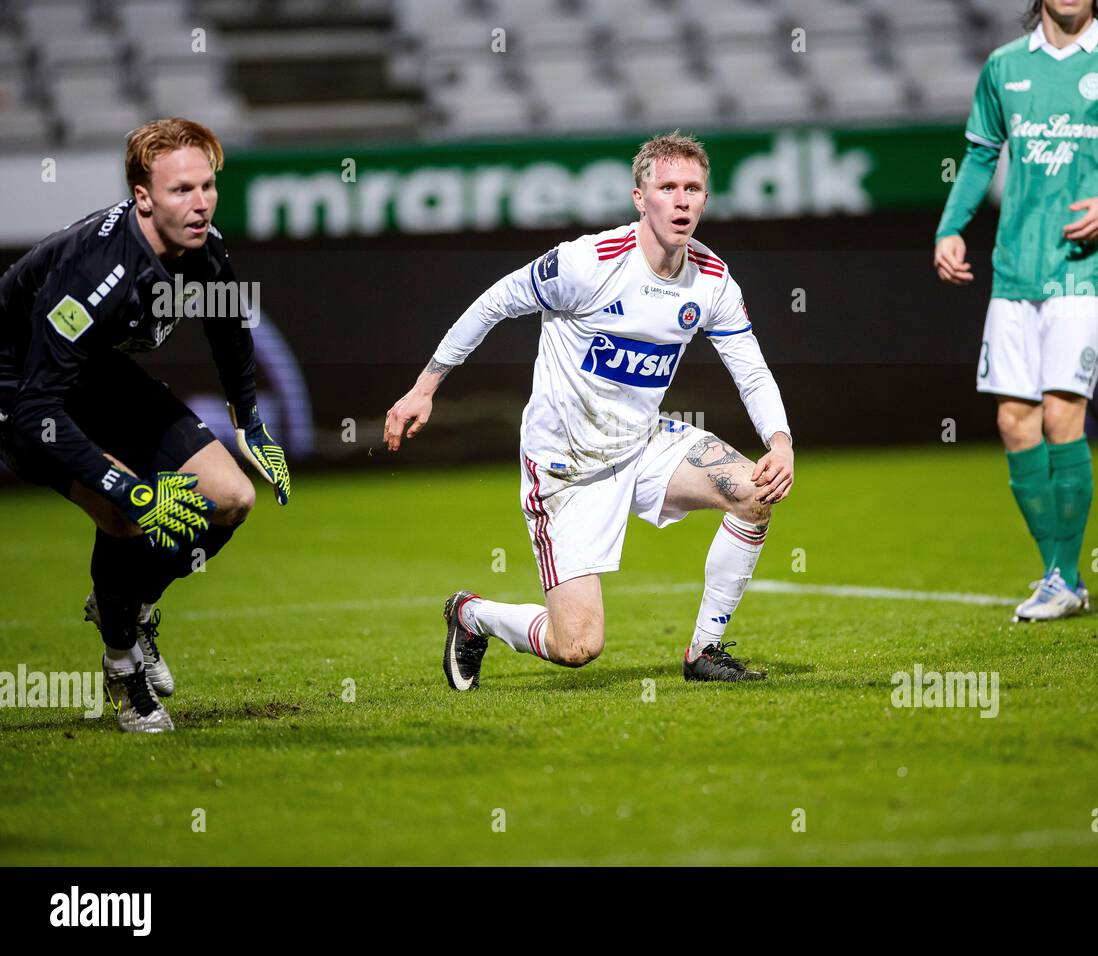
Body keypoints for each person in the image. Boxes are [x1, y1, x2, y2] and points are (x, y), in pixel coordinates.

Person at [384, 131, 793, 689]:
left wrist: (780, 441)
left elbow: (749, 368)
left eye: (692, 188)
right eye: (667, 186)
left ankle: (704, 651)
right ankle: (470, 615)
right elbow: (496, 301)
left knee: (752, 491)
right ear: (639, 197)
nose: (681, 200)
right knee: (577, 646)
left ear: (705, 198)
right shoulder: (589, 263)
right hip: (565, 468)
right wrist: (425, 386)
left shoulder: (712, 279)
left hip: (643, 443)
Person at [0, 118, 292, 731]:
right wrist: (128, 491)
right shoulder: (98, 275)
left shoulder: (203, 246)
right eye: (182, 190)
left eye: (207, 186)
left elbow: (230, 331)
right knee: (128, 515)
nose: (201, 203)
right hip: (21, 393)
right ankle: (122, 664)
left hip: (93, 376)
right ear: (143, 197)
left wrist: (251, 423)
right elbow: (35, 409)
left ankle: (129, 608)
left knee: (233, 497)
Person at [933, 0, 1098, 620]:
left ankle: (1066, 577)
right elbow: (978, 156)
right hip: (1015, 269)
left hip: (1086, 271)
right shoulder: (1003, 67)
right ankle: (1058, 576)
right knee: (1014, 424)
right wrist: (950, 227)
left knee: (1059, 414)